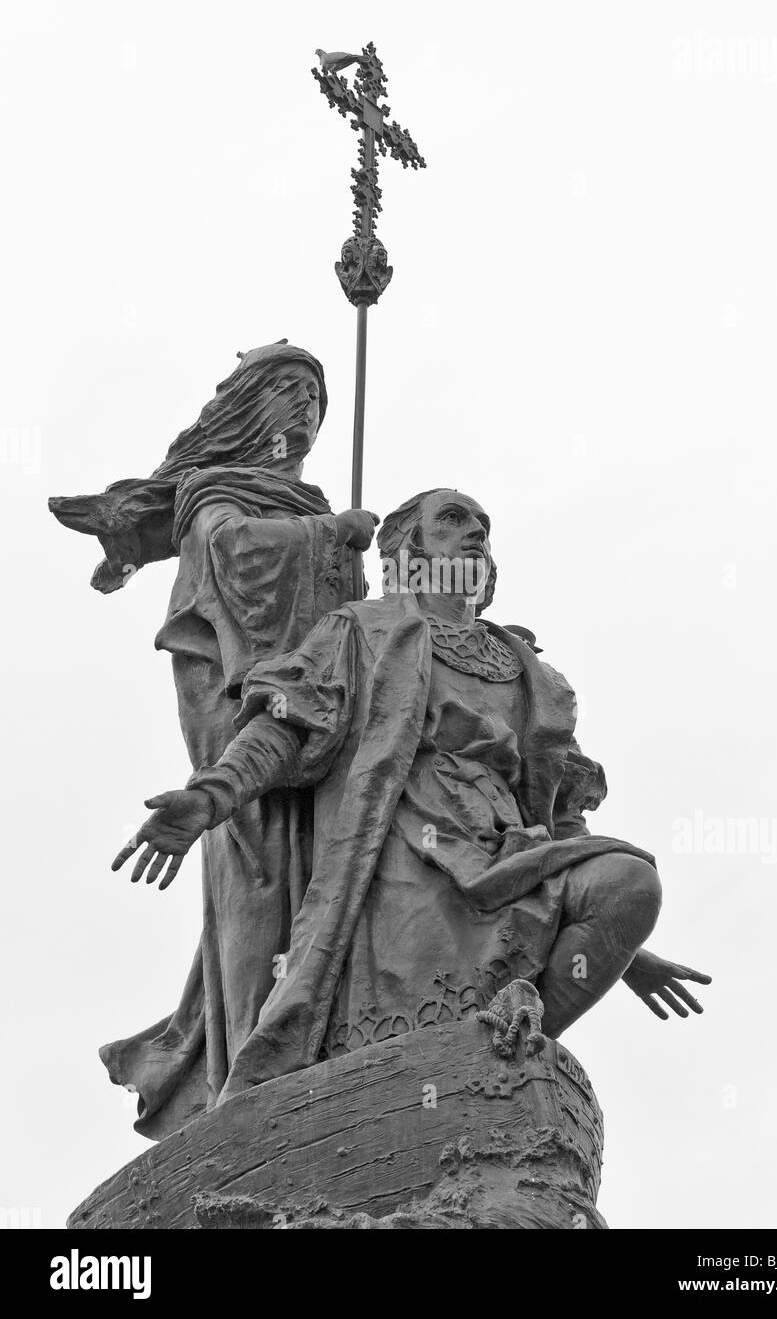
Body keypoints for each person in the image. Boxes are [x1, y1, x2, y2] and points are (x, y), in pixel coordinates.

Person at [115, 487, 710, 1126]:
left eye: (484, 522)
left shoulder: (528, 671)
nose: (475, 530)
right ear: (410, 547)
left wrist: (617, 945)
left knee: (629, 883)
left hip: (508, 855)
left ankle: (493, 1055)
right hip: (404, 850)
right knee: (399, 1033)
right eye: (453, 519)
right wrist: (209, 798)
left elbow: (563, 817)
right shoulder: (364, 628)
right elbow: (286, 726)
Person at [50, 340, 378, 1137]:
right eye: (291, 391)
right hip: (236, 689)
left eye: (319, 399)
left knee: (332, 864)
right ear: (249, 407)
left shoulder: (311, 502)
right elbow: (230, 553)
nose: (306, 409)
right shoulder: (215, 489)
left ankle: (317, 1046)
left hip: (319, 705)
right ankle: (244, 1074)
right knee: (257, 859)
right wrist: (330, 535)